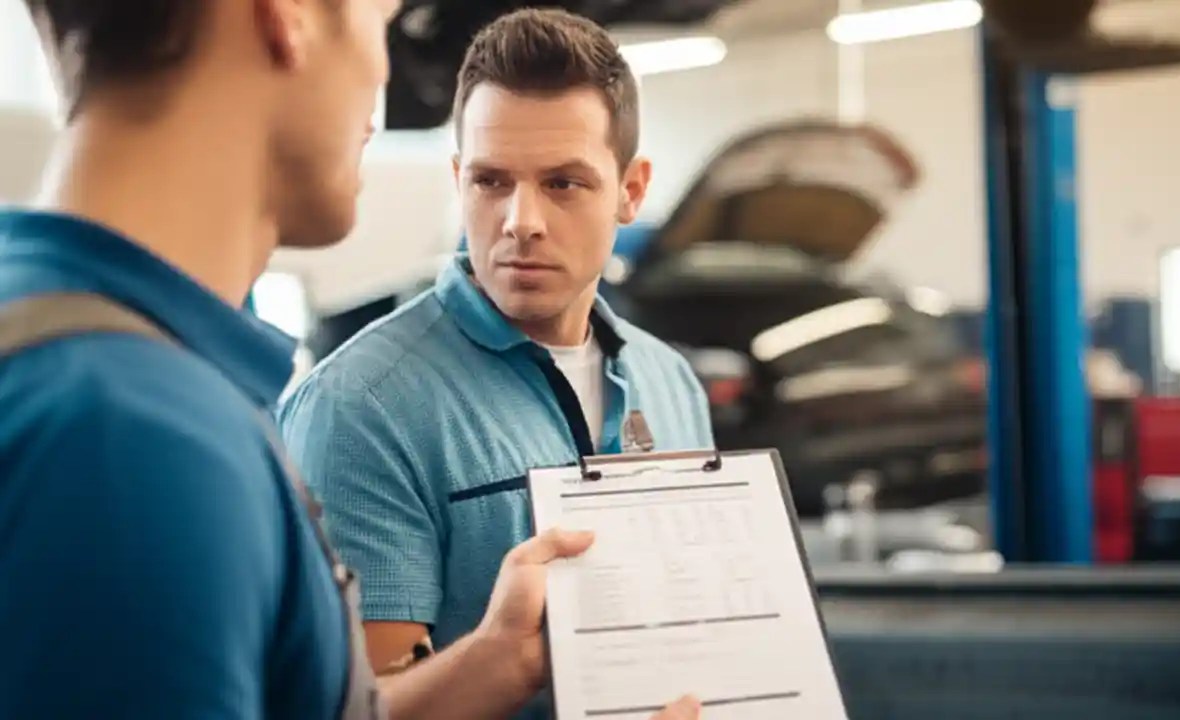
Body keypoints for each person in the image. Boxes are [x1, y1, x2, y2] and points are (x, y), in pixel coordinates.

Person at [0, 1, 698, 719]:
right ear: (287, 16)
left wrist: (500, 659)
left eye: (563, 182)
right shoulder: (127, 436)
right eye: (378, 17)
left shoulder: (158, 395)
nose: (381, 88)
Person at [277, 6, 716, 710]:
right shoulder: (361, 408)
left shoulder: (671, 384)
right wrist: (496, 661)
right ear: (459, 179)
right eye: (491, 181)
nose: (521, 221)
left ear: (630, 191)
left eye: (563, 183)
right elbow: (355, 708)